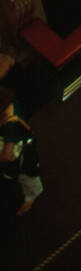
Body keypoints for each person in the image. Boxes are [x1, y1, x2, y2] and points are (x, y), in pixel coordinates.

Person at [0, 86, 43, 215]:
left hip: (21, 154)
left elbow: (7, 156)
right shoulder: (11, 102)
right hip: (16, 143)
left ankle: (31, 197)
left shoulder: (11, 125)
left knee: (27, 177)